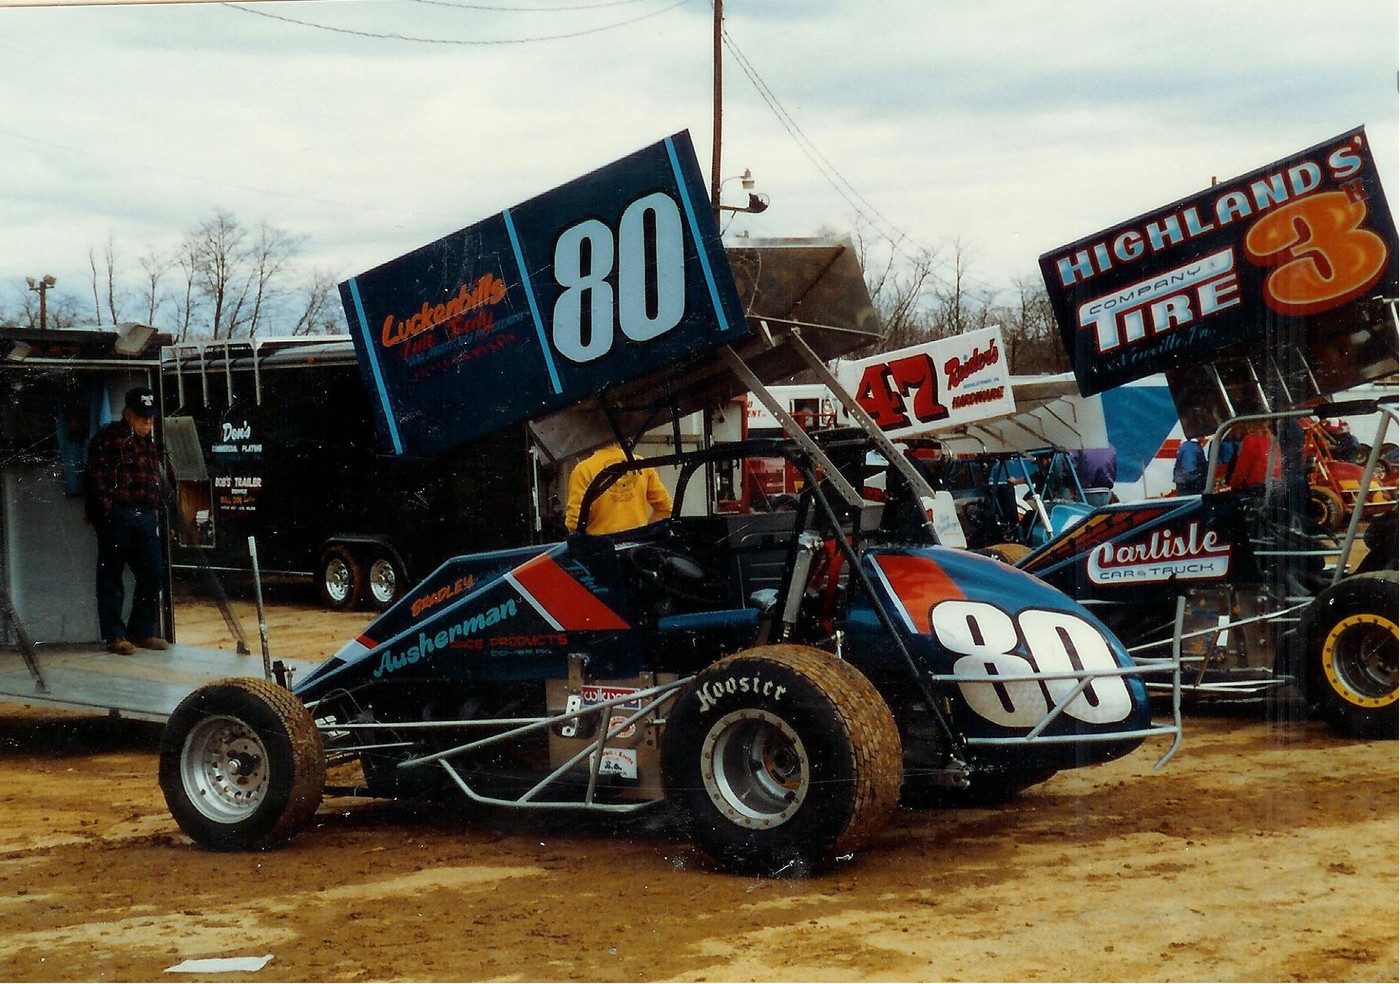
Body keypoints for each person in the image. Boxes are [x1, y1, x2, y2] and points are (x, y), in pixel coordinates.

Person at [84, 386, 169, 655]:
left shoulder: (150, 444)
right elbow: (97, 478)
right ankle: (115, 635)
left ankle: (141, 631)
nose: (147, 422)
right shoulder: (107, 438)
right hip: (118, 514)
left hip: (144, 515)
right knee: (112, 575)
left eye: (151, 418)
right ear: (127, 414)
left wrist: (153, 510)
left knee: (153, 572)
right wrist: (109, 512)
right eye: (142, 417)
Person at [565, 442, 673, 535]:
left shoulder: (583, 469)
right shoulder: (640, 463)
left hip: (602, 550)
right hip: (636, 546)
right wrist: (645, 532)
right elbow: (665, 508)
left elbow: (574, 523)